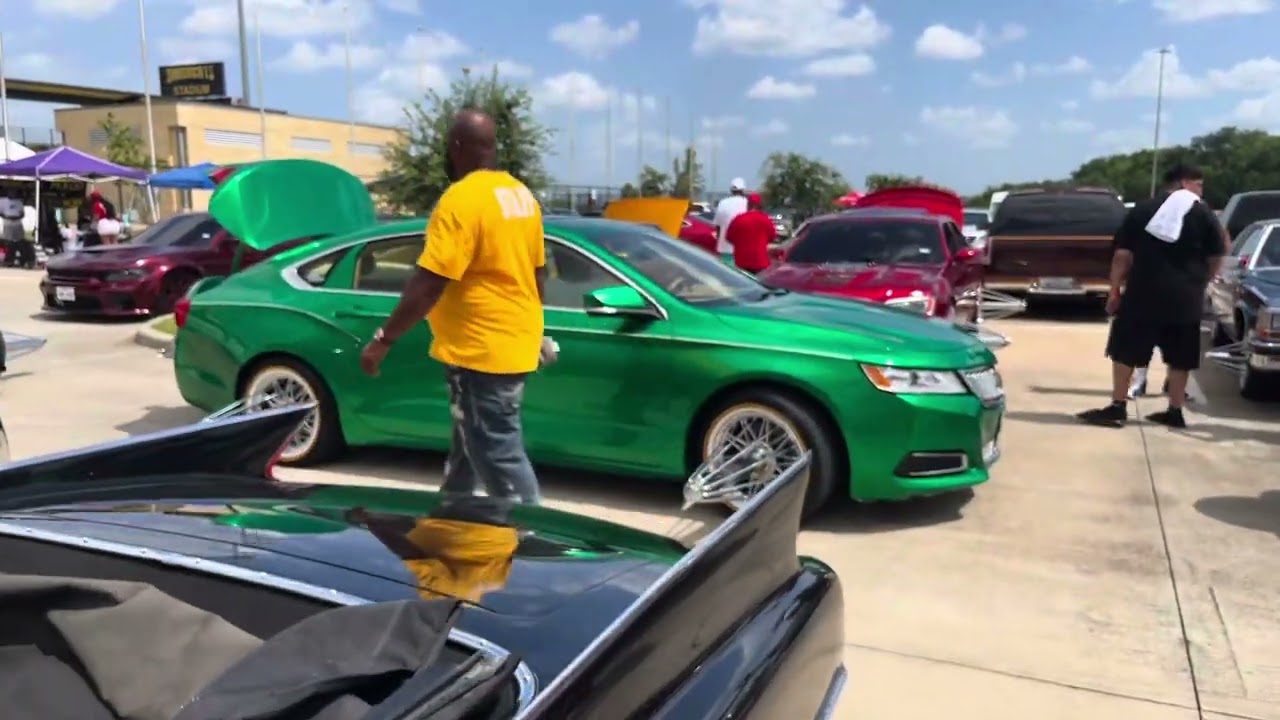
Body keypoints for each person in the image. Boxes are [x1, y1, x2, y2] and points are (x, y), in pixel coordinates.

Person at [358, 108, 554, 506]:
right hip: (511, 344)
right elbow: (538, 275)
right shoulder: (520, 196)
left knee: (498, 453)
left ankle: (533, 539)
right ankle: (452, 520)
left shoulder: (461, 200)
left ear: (457, 147)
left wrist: (384, 339)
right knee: (469, 444)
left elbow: (429, 283)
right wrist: (535, 329)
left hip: (480, 352)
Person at [1077, 163, 1226, 429]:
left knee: (1125, 351)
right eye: (1198, 184)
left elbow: (1122, 256)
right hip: (1186, 297)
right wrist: (1201, 281)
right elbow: (1218, 255)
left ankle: (1117, 406)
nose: (1201, 190)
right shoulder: (1203, 214)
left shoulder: (1142, 211)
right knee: (1181, 354)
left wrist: (1114, 290)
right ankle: (1175, 410)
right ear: (1183, 183)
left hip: (1143, 293)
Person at [725, 192, 776, 273]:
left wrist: (740, 244)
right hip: (760, 261)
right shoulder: (765, 219)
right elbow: (772, 237)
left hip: (741, 261)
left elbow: (728, 237)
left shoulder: (738, 219)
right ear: (759, 205)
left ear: (748, 204)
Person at [712, 177, 749, 260]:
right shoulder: (747, 204)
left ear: (731, 190)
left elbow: (718, 226)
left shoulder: (723, 203)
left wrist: (720, 241)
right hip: (743, 248)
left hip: (725, 248)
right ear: (743, 190)